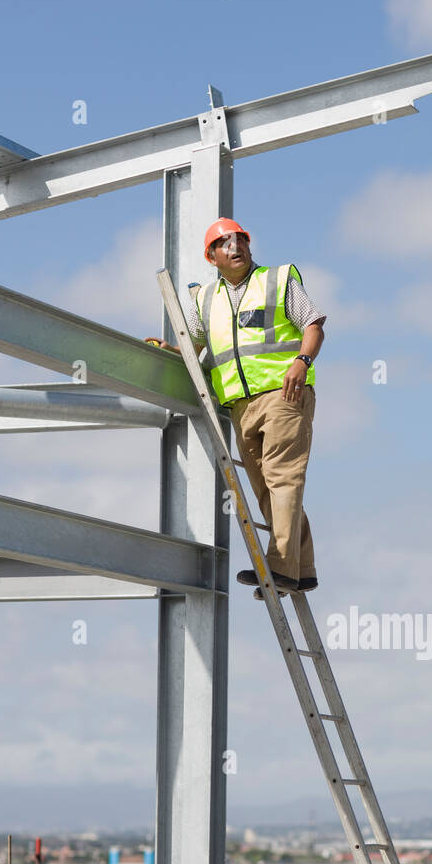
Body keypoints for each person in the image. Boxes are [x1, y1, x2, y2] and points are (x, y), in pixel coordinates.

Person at [147, 217, 325, 597]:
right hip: (239, 406)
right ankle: (303, 568)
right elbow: (194, 348)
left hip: (284, 394)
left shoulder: (277, 280)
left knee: (283, 480)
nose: (236, 246)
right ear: (211, 257)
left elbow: (313, 324)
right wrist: (170, 352)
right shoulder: (204, 299)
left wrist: (302, 362)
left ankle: (279, 569)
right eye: (225, 242)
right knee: (266, 489)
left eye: (241, 239)